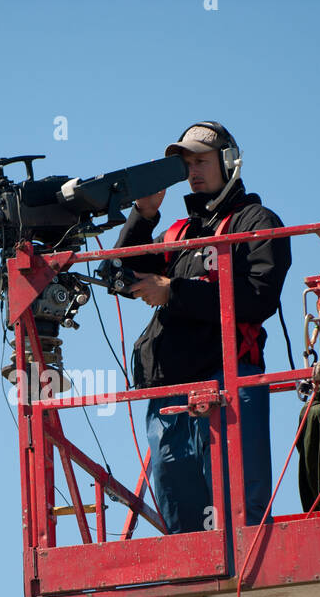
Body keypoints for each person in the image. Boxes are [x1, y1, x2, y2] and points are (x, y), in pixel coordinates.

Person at [114, 121, 292, 546]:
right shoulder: (178, 233)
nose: (193, 171)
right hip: (168, 392)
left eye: (201, 160)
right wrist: (144, 214)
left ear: (228, 162)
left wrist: (172, 291)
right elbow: (123, 268)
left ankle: (242, 587)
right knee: (181, 522)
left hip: (226, 383)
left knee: (237, 522)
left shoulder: (256, 221)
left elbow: (257, 298)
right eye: (186, 164)